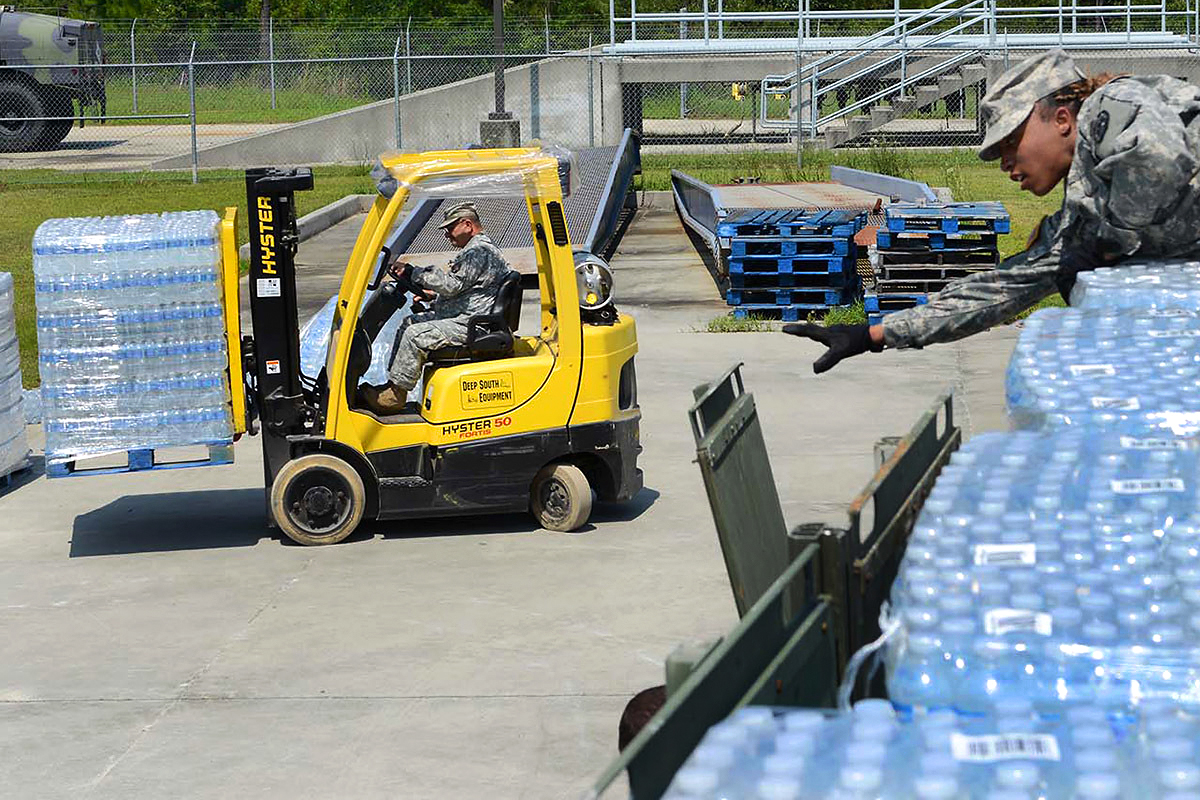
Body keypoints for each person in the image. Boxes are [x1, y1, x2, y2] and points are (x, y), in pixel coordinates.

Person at [784, 49, 1200, 373]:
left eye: (1010, 143)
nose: (1005, 163)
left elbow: (1160, 159)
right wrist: (871, 335)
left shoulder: (1109, 105)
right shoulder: (1082, 220)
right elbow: (998, 290)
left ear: (1060, 118)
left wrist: (1110, 242)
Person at [362, 201, 512, 415]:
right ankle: (393, 386)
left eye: (451, 228)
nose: (447, 235)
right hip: (467, 316)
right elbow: (466, 287)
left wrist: (414, 273)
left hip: (471, 324)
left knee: (415, 335)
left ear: (467, 224)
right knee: (410, 322)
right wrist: (433, 294)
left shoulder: (479, 252)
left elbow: (451, 285)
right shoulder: (478, 249)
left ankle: (396, 396)